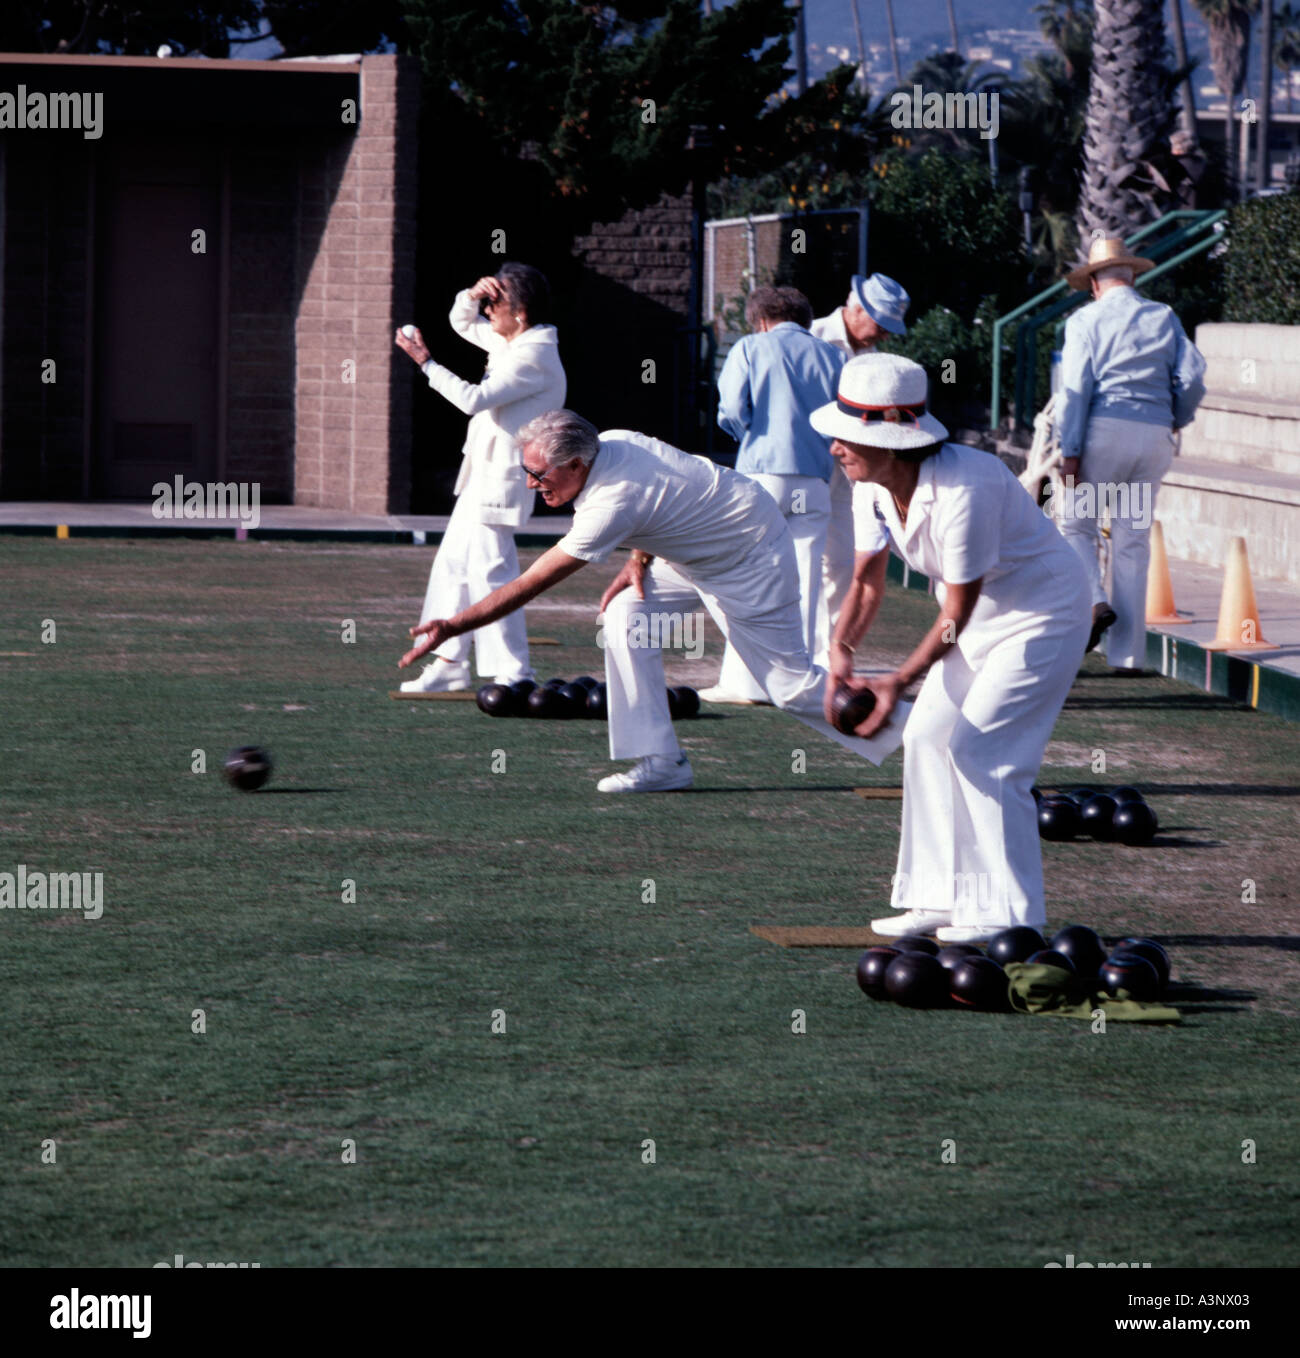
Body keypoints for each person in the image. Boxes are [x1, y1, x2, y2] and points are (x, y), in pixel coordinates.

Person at [397, 410, 905, 793]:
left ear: (576, 464)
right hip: (698, 552)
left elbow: (530, 583)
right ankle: (662, 763)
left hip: (750, 553)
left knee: (789, 687)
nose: (532, 485)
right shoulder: (613, 442)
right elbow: (667, 495)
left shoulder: (608, 504)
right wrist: (638, 560)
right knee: (624, 617)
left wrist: (454, 626)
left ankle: (920, 733)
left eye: (540, 475)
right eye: (527, 472)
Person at [814, 354, 1091, 943]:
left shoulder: (968, 485)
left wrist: (897, 680)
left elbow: (954, 614)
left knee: (982, 751)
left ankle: (1006, 915)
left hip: (1041, 617)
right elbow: (867, 579)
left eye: (850, 435)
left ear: (893, 442)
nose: (837, 446)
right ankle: (936, 899)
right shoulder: (872, 486)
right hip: (976, 620)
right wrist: (842, 650)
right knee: (925, 736)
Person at [394, 263, 567, 692]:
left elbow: (474, 400)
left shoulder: (534, 355)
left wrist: (426, 363)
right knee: (454, 566)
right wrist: (473, 292)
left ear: (521, 312)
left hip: (503, 481)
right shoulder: (514, 339)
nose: (488, 310)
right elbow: (461, 320)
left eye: (496, 302)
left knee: (494, 576)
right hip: (481, 478)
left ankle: (514, 673)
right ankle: (450, 662)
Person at [1055, 237, 1206, 673]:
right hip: (1153, 437)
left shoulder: (1085, 320)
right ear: (1132, 276)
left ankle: (1094, 601)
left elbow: (1076, 389)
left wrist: (1070, 451)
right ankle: (1127, 655)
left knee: (1078, 528)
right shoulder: (1163, 316)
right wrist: (1176, 416)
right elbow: (1193, 376)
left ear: (1095, 284)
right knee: (1132, 543)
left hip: (1103, 434)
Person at [703, 285, 842, 704]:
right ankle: (796, 678)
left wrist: (750, 436)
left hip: (763, 471)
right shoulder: (834, 355)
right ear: (805, 319)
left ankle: (744, 681)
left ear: (760, 320)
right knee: (805, 577)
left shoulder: (750, 346)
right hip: (815, 477)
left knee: (749, 572)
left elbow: (729, 408)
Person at [809, 273, 910, 669]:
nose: (884, 336)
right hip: (807, 467)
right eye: (881, 326)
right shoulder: (811, 335)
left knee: (841, 561)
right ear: (855, 309)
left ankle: (829, 653)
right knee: (796, 558)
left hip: (853, 471)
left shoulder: (873, 356)